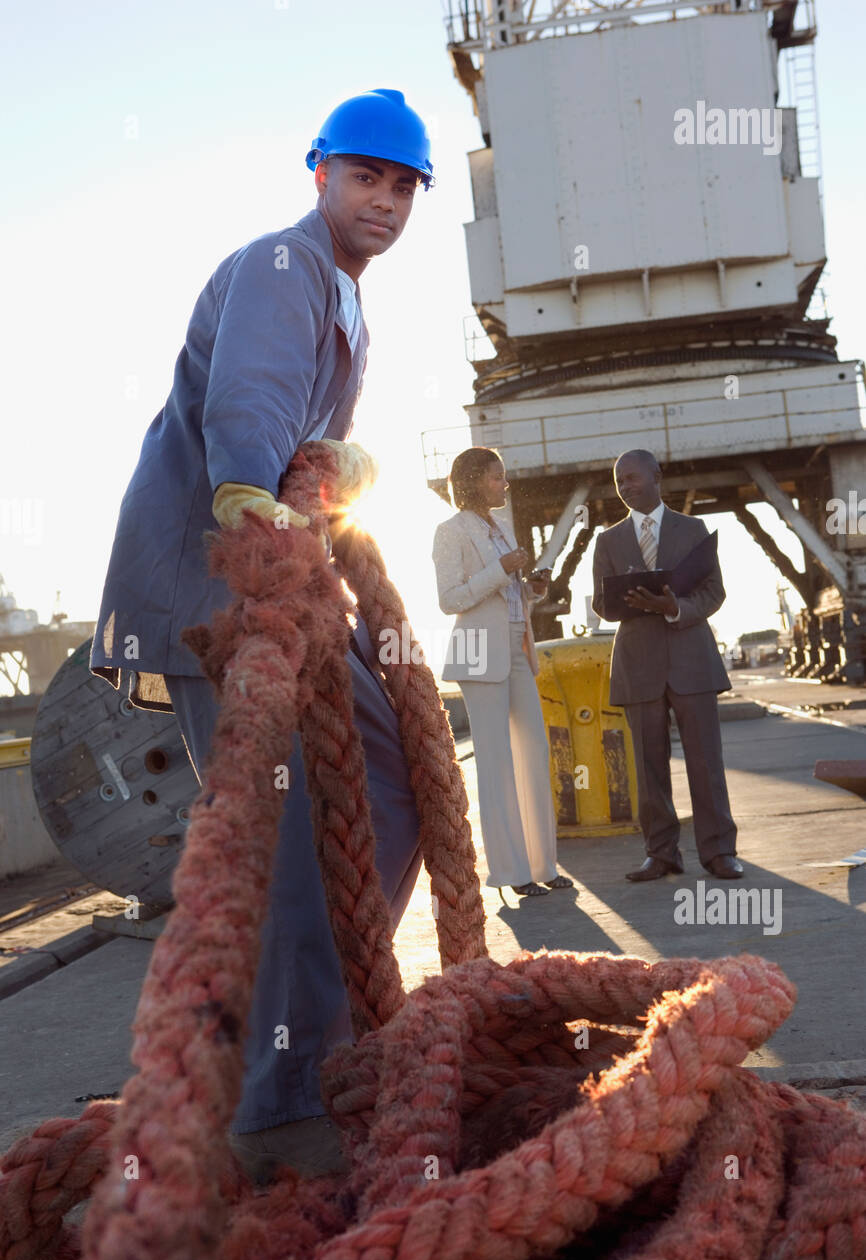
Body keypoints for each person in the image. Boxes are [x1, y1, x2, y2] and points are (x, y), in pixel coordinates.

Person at [88, 90, 435, 1180]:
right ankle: (282, 1092)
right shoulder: (283, 269)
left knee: (388, 778)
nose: (381, 199)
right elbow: (249, 398)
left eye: (400, 185)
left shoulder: (344, 300)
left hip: (284, 581)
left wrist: (344, 466)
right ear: (318, 173)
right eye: (362, 176)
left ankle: (321, 1021)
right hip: (224, 587)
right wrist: (246, 491)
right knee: (282, 833)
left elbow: (304, 437)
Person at [591, 448, 743, 882]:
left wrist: (675, 607)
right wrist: (634, 600)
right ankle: (661, 854)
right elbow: (602, 604)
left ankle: (719, 853)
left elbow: (714, 593)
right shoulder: (607, 541)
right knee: (648, 767)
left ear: (656, 476)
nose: (625, 487)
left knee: (706, 762)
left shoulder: (694, 530)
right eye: (619, 482)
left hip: (692, 659)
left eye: (633, 478)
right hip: (638, 664)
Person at [432, 447, 574, 901]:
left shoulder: (500, 527)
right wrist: (501, 570)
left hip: (516, 646)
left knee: (534, 752)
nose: (504, 485)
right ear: (474, 480)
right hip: (478, 652)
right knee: (495, 763)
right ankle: (511, 873)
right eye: (497, 478)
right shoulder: (449, 532)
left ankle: (543, 865)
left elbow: (506, 598)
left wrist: (529, 589)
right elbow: (450, 599)